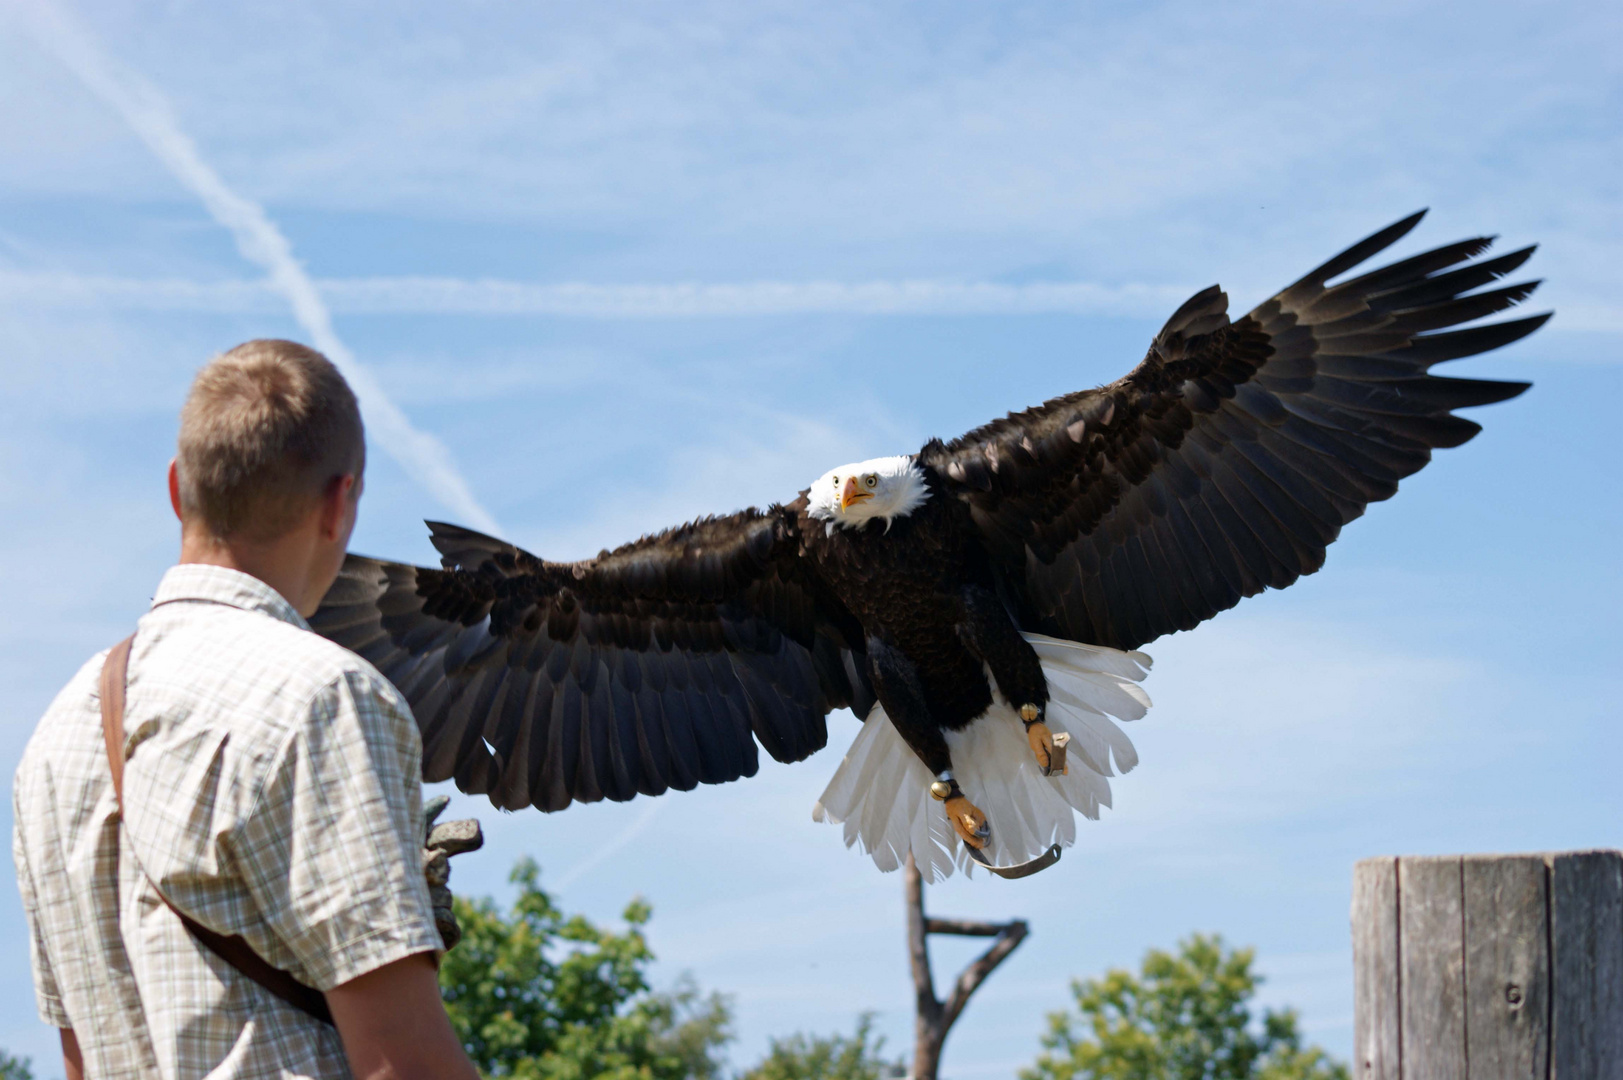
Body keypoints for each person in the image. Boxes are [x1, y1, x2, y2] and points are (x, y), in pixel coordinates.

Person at [12, 340, 480, 1080]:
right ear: (339, 502)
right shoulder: (326, 698)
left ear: (177, 489)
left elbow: (80, 1060)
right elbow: (405, 1067)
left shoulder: (55, 738)